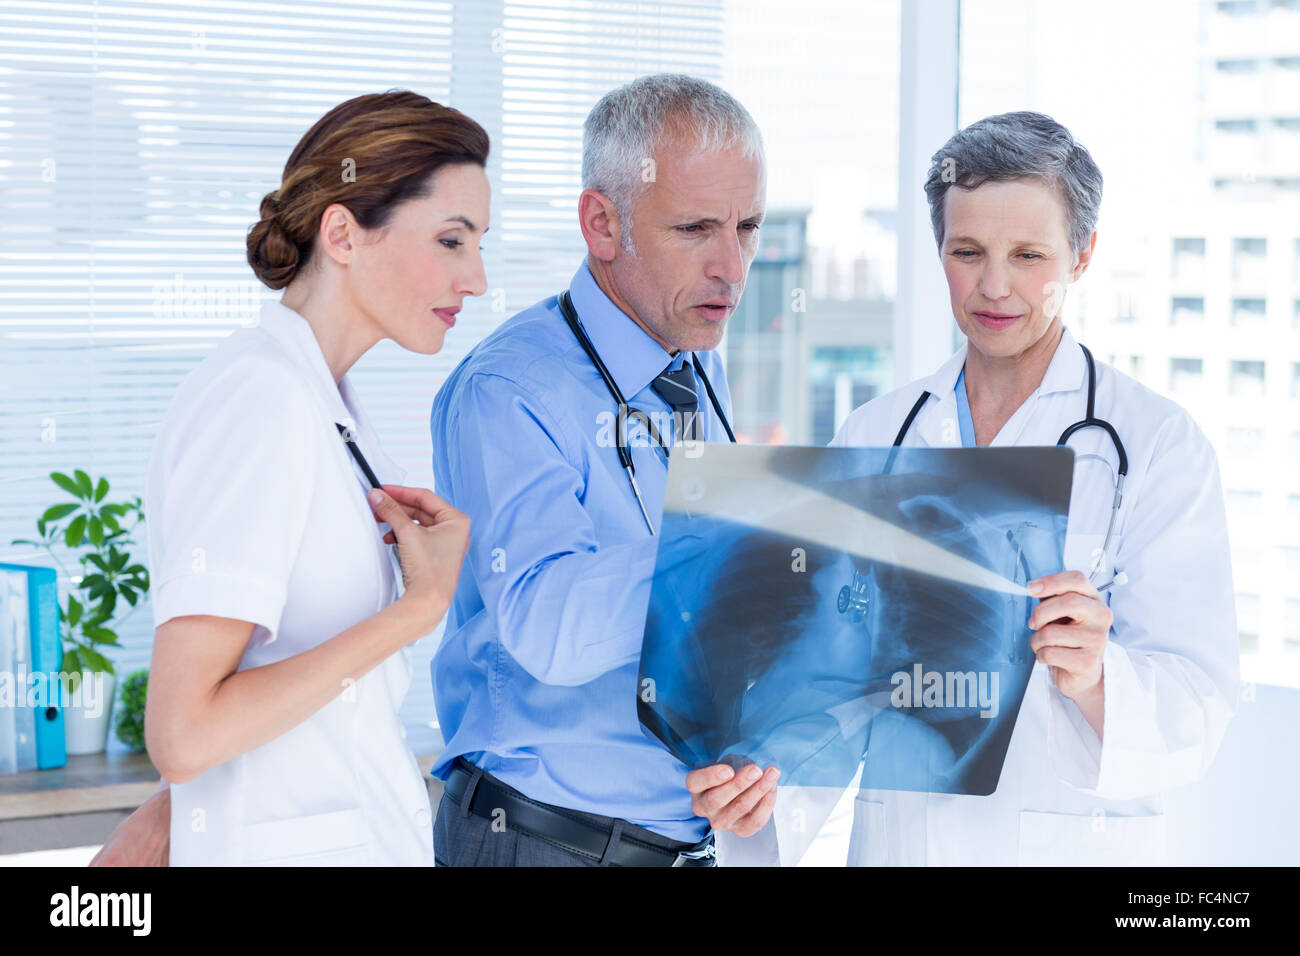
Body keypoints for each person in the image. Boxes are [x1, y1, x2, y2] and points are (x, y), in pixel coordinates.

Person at [718, 111, 1240, 867]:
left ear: (1083, 254)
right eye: (968, 252)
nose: (994, 286)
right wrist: (760, 792)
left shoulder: (1157, 446)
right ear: (939, 252)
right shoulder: (876, 436)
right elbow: (828, 678)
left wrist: (1097, 678)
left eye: (1029, 254)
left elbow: (1200, 701)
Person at [89, 90, 486, 865]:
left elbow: (264, 693)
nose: (473, 279)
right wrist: (419, 608)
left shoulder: (323, 405)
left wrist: (178, 807)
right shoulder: (259, 399)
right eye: (450, 240)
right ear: (342, 232)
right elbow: (184, 733)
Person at [428, 74, 778, 866]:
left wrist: (751, 750)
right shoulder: (511, 388)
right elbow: (548, 625)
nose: (734, 266)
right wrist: (735, 546)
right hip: (546, 842)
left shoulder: (699, 369)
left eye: (748, 227)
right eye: (695, 229)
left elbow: (707, 626)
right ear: (602, 224)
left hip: (684, 842)